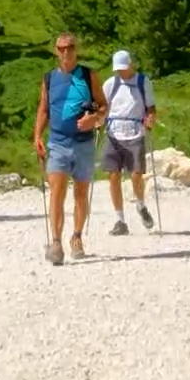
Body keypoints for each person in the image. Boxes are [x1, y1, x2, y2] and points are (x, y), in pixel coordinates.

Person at [33, 31, 99, 266]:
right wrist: (37, 135)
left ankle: (77, 236)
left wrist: (94, 119)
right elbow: (43, 108)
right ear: (55, 51)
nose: (65, 51)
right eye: (61, 48)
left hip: (83, 143)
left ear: (76, 48)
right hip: (58, 142)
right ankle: (56, 242)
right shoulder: (49, 78)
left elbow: (103, 106)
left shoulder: (88, 75)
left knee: (80, 193)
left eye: (69, 47)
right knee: (57, 192)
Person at [98, 47, 158, 235]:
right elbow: (102, 107)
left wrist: (150, 119)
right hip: (113, 134)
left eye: (123, 68)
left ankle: (141, 206)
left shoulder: (142, 82)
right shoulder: (110, 84)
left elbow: (151, 108)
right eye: (118, 69)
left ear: (130, 65)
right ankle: (120, 220)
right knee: (113, 175)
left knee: (136, 174)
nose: (121, 72)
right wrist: (97, 120)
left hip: (135, 133)